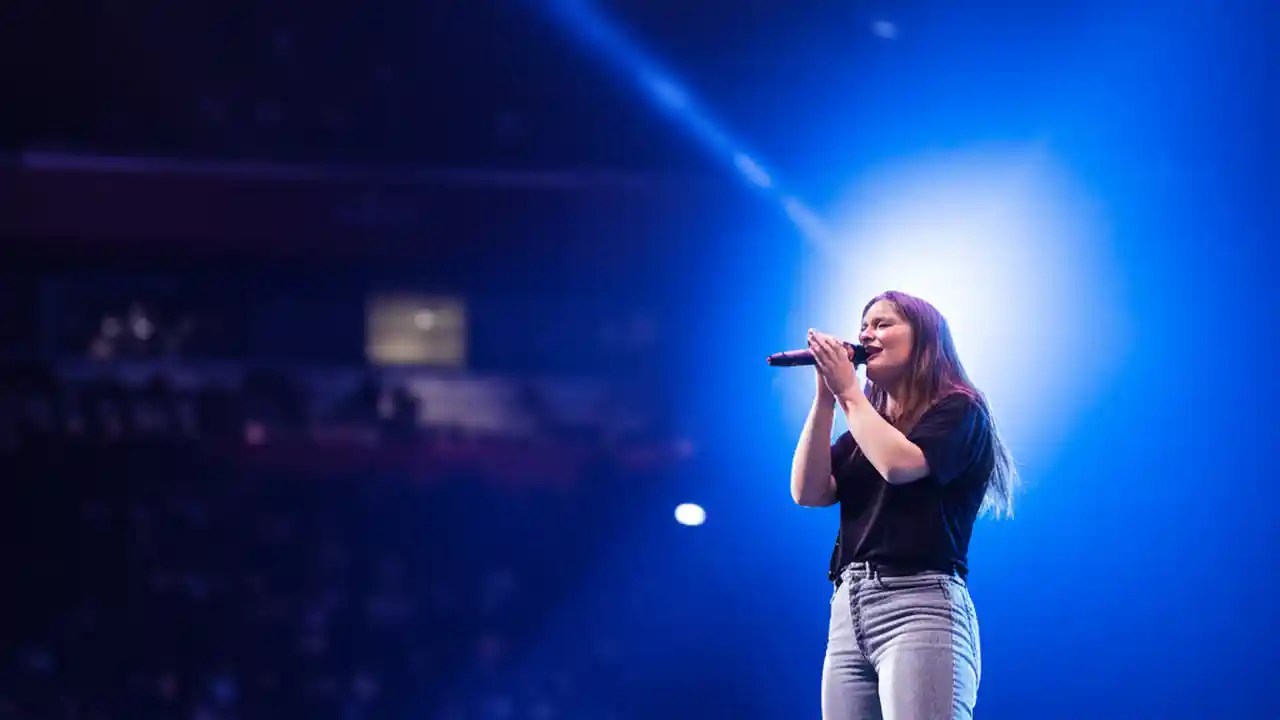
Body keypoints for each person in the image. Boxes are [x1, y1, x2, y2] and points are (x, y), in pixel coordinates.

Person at [791, 290, 1018, 720]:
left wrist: (849, 395)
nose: (866, 334)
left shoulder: (960, 409)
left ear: (925, 339)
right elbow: (808, 491)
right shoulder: (866, 428)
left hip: (918, 602)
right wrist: (826, 397)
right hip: (847, 611)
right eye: (864, 326)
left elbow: (900, 465)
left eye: (883, 324)